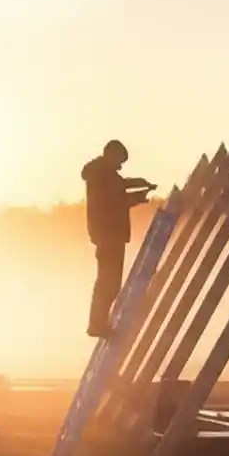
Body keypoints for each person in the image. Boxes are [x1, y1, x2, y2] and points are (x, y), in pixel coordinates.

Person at [82, 139, 156, 338]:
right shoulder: (101, 176)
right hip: (109, 234)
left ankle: (99, 323)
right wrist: (138, 197)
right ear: (111, 155)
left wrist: (139, 183)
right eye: (119, 161)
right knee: (109, 282)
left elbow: (120, 186)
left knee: (109, 282)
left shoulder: (102, 174)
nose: (120, 166)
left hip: (109, 234)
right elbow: (115, 201)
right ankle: (97, 325)